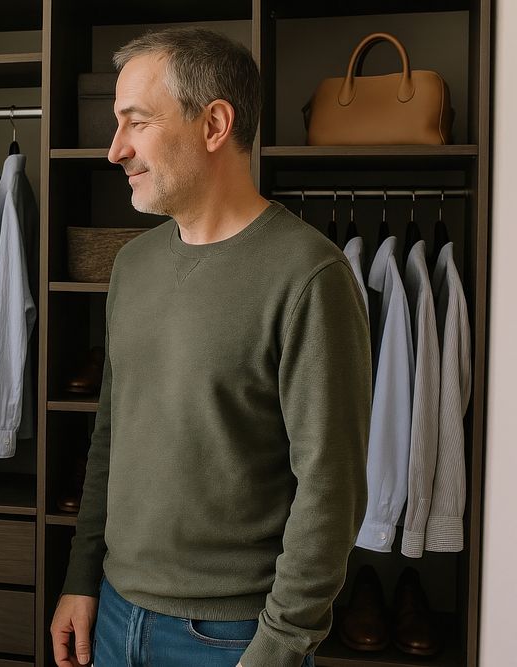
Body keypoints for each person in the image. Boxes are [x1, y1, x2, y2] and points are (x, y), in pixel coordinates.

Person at [49, 27, 371, 667]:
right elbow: (110, 435)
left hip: (231, 639)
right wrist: (82, 576)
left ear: (215, 124)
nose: (115, 150)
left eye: (135, 123)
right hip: (112, 615)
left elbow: (330, 491)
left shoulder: (310, 276)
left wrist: (276, 648)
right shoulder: (132, 265)